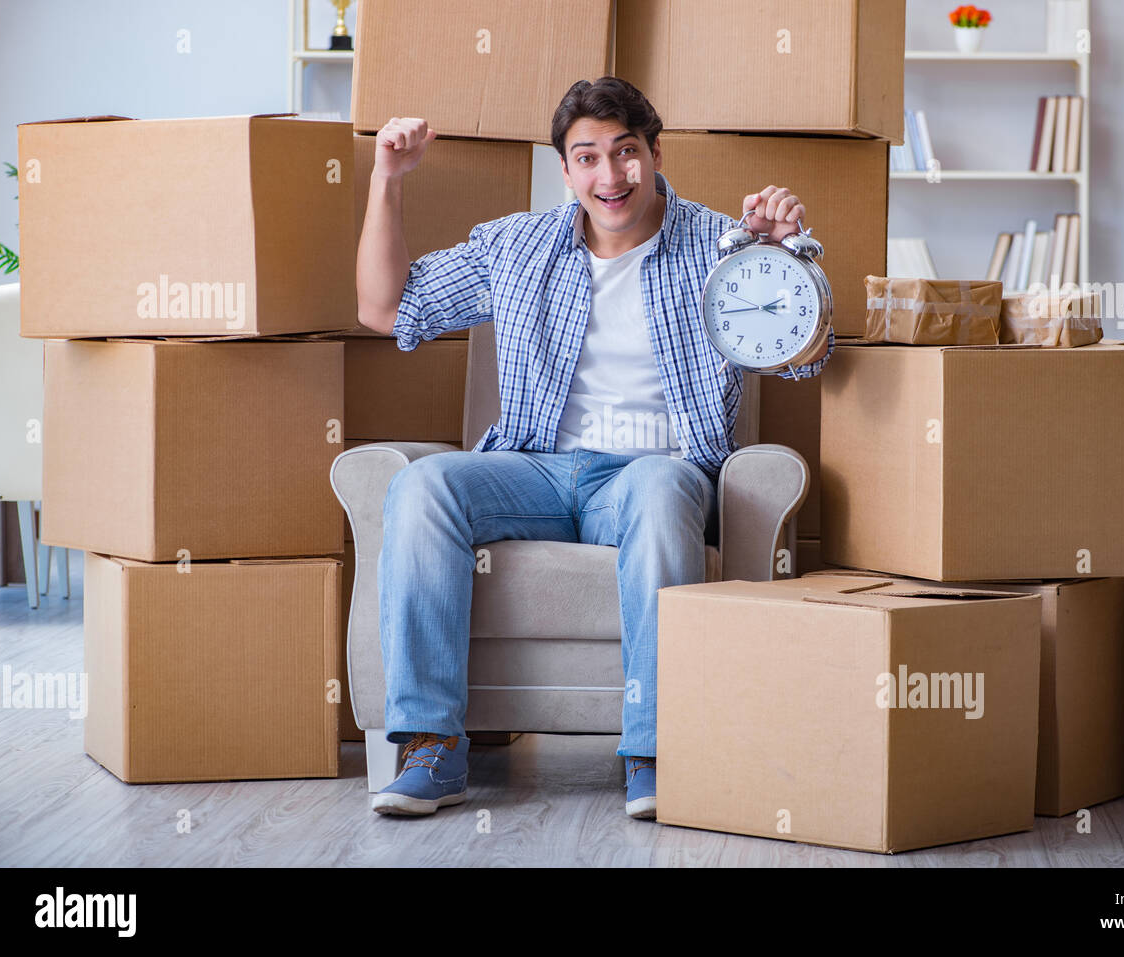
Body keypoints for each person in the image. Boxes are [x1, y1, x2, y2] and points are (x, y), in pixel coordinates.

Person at [355, 75, 834, 820]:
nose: (609, 176)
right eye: (587, 158)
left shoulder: (720, 245)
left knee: (657, 487)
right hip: (534, 468)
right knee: (421, 485)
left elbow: (803, 356)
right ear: (565, 168)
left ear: (654, 151)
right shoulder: (517, 246)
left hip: (653, 474)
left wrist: (785, 257)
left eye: (625, 152)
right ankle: (432, 748)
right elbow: (386, 308)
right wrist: (387, 178)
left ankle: (656, 751)